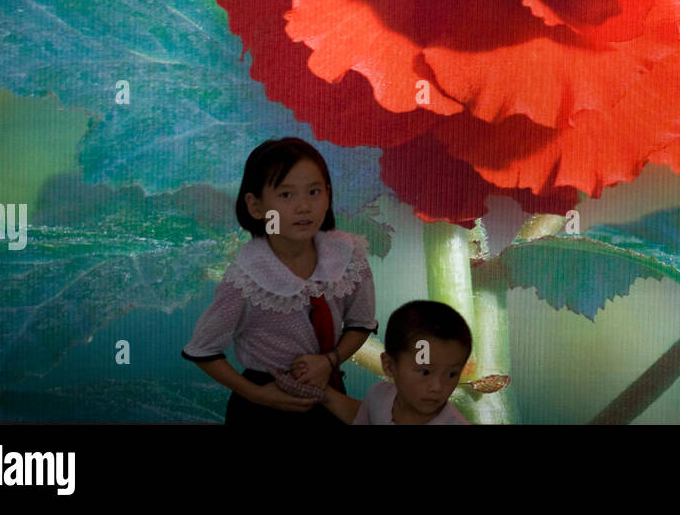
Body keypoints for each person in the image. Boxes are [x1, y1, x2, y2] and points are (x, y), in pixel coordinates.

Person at [181, 137, 377, 424]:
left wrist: (329, 361)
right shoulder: (245, 279)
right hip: (266, 403)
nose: (304, 207)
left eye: (314, 192)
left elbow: (360, 323)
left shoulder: (349, 255)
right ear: (256, 205)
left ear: (328, 195)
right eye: (286, 195)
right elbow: (203, 350)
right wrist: (256, 395)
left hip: (329, 391)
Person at [322, 300, 472, 425]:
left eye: (452, 374)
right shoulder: (379, 395)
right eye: (425, 372)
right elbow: (363, 417)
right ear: (389, 366)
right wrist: (321, 390)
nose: (437, 387)